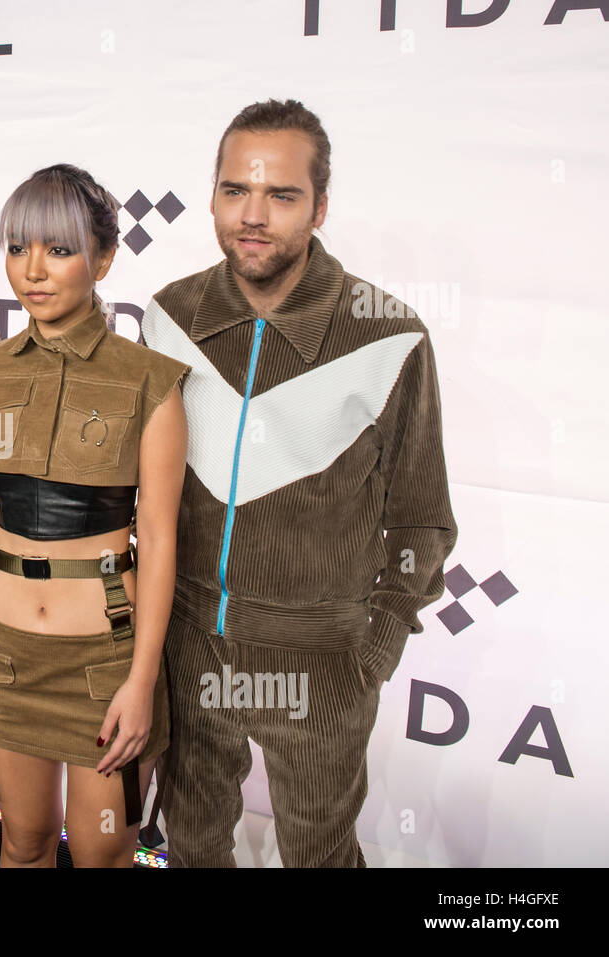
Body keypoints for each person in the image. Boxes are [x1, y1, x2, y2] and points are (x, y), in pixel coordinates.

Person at [141, 98, 457, 867]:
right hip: (189, 642)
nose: (253, 216)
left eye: (281, 195)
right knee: (193, 843)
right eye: (234, 191)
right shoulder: (168, 315)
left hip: (319, 663)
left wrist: (371, 650)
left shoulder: (388, 333)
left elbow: (423, 521)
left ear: (320, 206)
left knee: (319, 854)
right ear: (212, 193)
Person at [0, 165, 190, 868]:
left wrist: (140, 682)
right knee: (22, 845)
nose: (32, 270)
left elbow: (162, 538)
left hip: (104, 664)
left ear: (104, 258)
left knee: (104, 854)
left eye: (58, 249)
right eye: (17, 248)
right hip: (4, 656)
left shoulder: (150, 380)